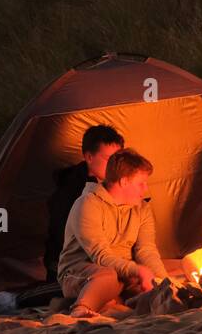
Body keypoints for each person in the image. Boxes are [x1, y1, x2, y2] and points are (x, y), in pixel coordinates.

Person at [57, 147, 168, 317]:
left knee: (162, 278)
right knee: (108, 276)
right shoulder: (88, 204)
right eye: (140, 183)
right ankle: (81, 308)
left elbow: (146, 250)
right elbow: (100, 256)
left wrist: (162, 282)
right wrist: (137, 270)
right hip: (83, 272)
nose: (145, 189)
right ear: (123, 182)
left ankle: (117, 302)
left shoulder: (142, 209)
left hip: (124, 273)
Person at [43, 124, 123, 282]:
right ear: (89, 157)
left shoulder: (119, 185)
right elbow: (63, 240)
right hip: (72, 267)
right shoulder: (69, 192)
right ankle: (13, 300)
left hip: (108, 261)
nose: (115, 166)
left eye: (118, 158)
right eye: (108, 159)